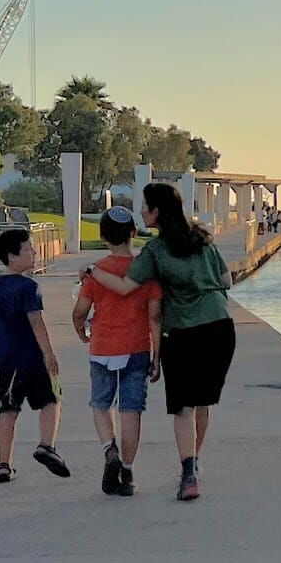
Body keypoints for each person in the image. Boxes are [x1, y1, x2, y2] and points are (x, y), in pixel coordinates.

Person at [89, 182, 233, 502]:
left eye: (145, 206)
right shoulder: (204, 240)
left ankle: (188, 474)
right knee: (201, 403)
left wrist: (92, 272)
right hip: (219, 328)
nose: (141, 211)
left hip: (183, 330)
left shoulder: (155, 251)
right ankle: (192, 468)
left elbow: (126, 287)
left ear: (157, 212)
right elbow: (227, 280)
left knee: (183, 407)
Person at [71, 206, 161, 497]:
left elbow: (80, 311)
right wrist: (157, 355)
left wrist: (80, 330)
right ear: (133, 233)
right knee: (131, 410)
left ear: (102, 236)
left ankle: (109, 449)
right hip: (136, 349)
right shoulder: (146, 273)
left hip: (102, 348)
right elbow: (155, 317)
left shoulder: (95, 271)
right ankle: (128, 470)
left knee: (100, 404)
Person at [0, 229, 69, 483]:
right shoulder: (29, 287)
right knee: (51, 400)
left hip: (3, 362)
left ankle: (3, 464)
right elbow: (36, 322)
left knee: (7, 411)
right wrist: (49, 354)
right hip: (31, 359)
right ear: (11, 256)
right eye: (28, 249)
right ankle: (46, 445)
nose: (34, 252)